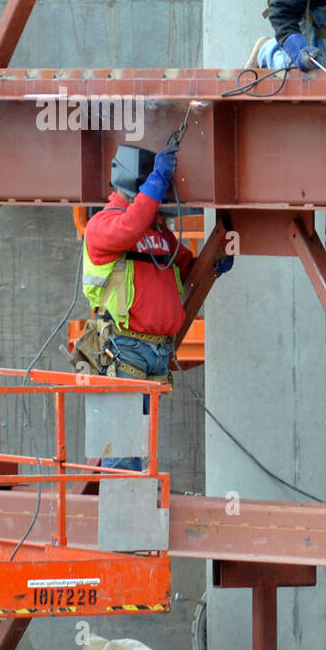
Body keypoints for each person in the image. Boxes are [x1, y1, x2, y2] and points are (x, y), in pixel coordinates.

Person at [81, 145, 234, 468]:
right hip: (122, 347)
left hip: (154, 352)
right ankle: (125, 513)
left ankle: (136, 507)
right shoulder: (104, 225)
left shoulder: (158, 235)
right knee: (124, 448)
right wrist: (156, 182)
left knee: (141, 446)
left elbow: (186, 265)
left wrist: (213, 265)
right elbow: (130, 227)